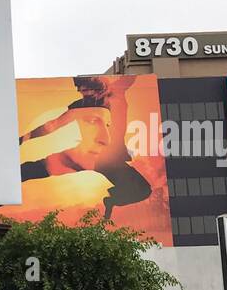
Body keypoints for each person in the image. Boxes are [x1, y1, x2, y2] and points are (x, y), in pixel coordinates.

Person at [18, 75, 151, 222]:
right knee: (38, 168)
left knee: (143, 190)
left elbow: (128, 80)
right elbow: (52, 125)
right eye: (80, 89)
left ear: (96, 87)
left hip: (98, 158)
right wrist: (23, 138)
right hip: (94, 156)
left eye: (85, 89)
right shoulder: (82, 105)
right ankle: (9, 178)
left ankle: (112, 200)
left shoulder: (112, 96)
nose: (82, 92)